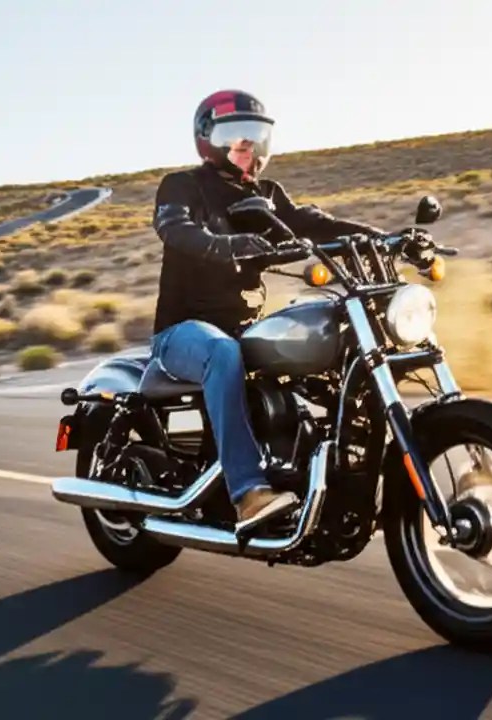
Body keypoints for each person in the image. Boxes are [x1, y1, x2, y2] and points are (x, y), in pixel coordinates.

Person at [149, 89, 383, 534]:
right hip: (183, 332)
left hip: (243, 329)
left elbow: (314, 223)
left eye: (257, 137)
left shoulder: (267, 194)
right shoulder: (181, 186)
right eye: (238, 137)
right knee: (222, 353)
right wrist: (225, 244)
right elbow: (176, 229)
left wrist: (385, 236)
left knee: (325, 346)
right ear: (208, 139)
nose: (249, 148)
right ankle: (248, 494)